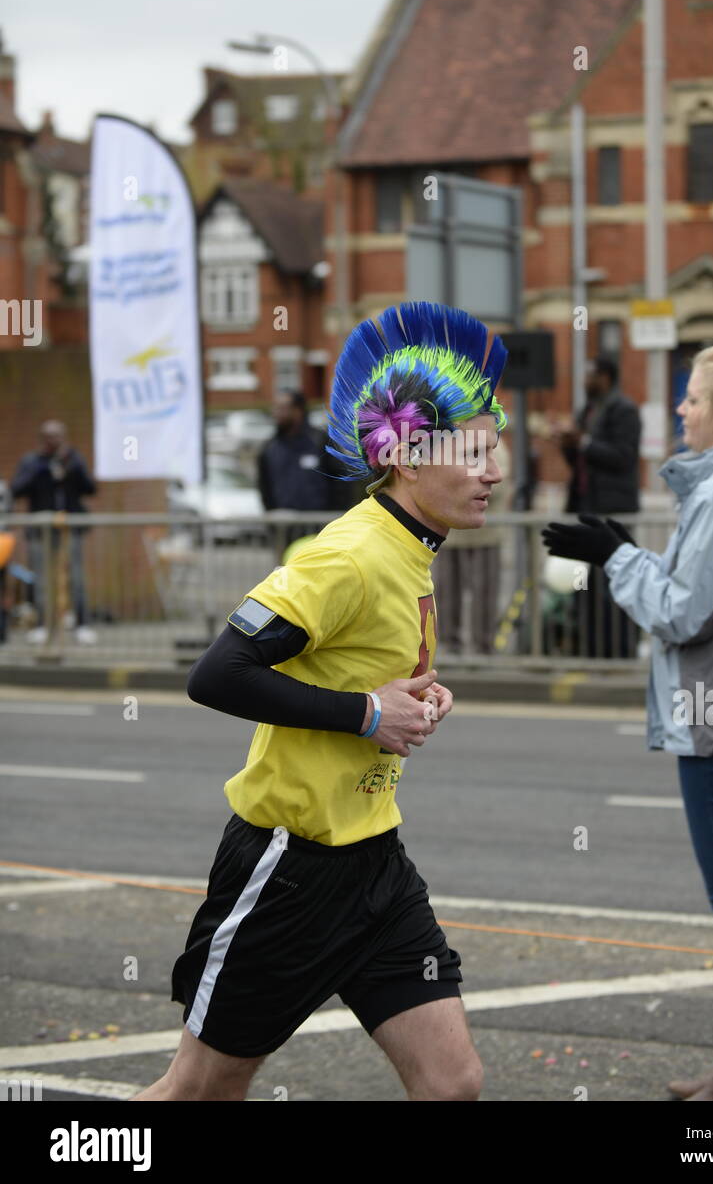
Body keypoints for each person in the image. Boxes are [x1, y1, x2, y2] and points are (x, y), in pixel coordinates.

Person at [132, 302, 507, 1102]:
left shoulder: (412, 547)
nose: (496, 469)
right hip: (288, 866)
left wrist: (409, 700)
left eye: (495, 448)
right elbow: (218, 673)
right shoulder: (348, 553)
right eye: (475, 451)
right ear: (407, 454)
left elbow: (353, 673)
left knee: (452, 1084)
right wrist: (366, 714)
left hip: (374, 861)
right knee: (198, 1092)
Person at [543, 344, 713, 1102]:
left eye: (691, 399)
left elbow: (681, 613)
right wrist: (623, 551)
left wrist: (616, 557)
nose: (679, 409)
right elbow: (696, 594)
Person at [558, 356, 641, 657]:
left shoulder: (625, 410)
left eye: (590, 375)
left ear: (605, 377)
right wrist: (569, 445)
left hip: (612, 511)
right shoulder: (588, 410)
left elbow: (623, 456)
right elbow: (581, 461)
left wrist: (584, 443)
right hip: (585, 508)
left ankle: (619, 649)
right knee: (585, 585)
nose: (584, 381)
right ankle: (591, 647)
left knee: (613, 583)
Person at [9, 420, 98, 644]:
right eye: (49, 437)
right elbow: (16, 489)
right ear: (42, 439)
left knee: (76, 577)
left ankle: (82, 624)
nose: (54, 441)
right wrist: (41, 471)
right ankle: (42, 625)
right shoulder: (31, 461)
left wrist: (73, 469)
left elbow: (90, 488)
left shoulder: (74, 459)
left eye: (58, 436)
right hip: (41, 530)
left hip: (70, 527)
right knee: (41, 578)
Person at [434, 435, 511, 655]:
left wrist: (460, 488)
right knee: (446, 592)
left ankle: (483, 646)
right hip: (451, 534)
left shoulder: (495, 443)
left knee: (484, 594)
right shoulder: (447, 439)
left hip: (485, 534)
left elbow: (499, 483)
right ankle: (450, 645)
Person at [257, 391, 351, 560]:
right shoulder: (269, 448)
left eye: (282, 408)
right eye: (275, 408)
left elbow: (342, 481)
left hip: (320, 531)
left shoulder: (321, 441)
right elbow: (265, 489)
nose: (276, 413)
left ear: (297, 411)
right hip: (284, 533)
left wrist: (333, 521)